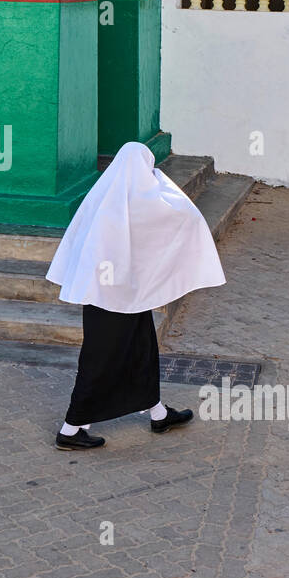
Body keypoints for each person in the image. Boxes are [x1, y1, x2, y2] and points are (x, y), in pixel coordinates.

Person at [47, 142, 226, 451]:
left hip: (111, 293)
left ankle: (158, 414)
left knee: (141, 349)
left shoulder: (102, 196)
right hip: (113, 298)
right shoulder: (144, 199)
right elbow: (181, 215)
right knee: (101, 358)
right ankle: (72, 428)